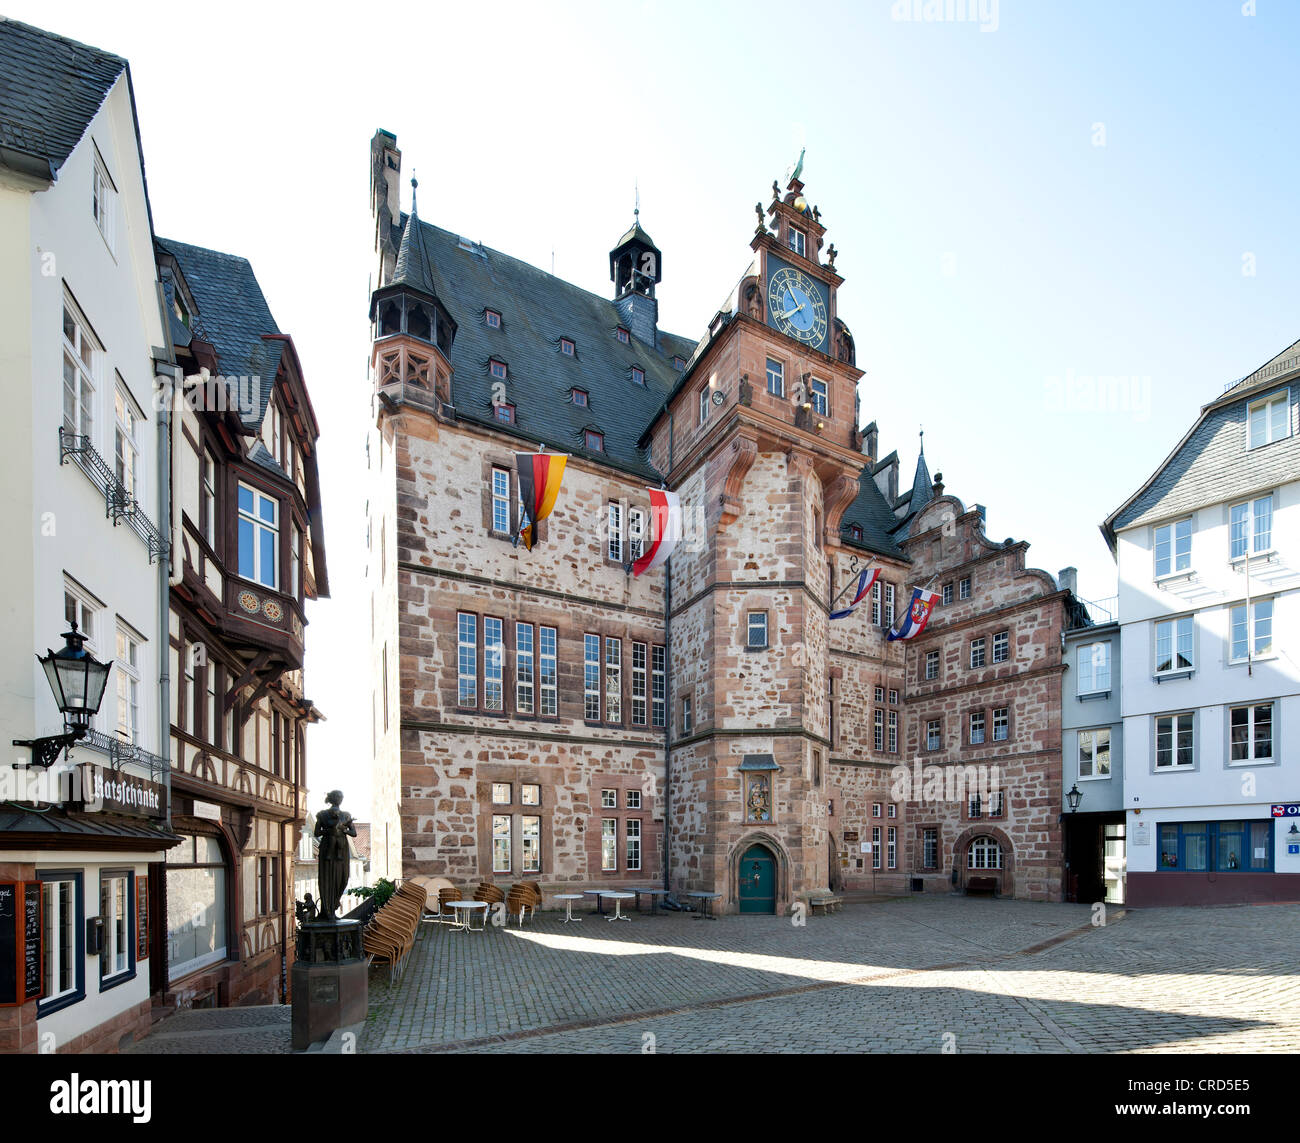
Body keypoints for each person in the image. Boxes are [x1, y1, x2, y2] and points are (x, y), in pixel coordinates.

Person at [314, 791, 356, 920]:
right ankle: (327, 911)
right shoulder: (322, 815)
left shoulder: (346, 815)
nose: (339, 799)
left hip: (342, 849)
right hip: (327, 849)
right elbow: (316, 832)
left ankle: (334, 904)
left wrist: (345, 830)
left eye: (341, 797)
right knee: (327, 879)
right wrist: (328, 830)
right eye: (338, 797)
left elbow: (354, 833)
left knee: (342, 878)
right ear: (332, 799)